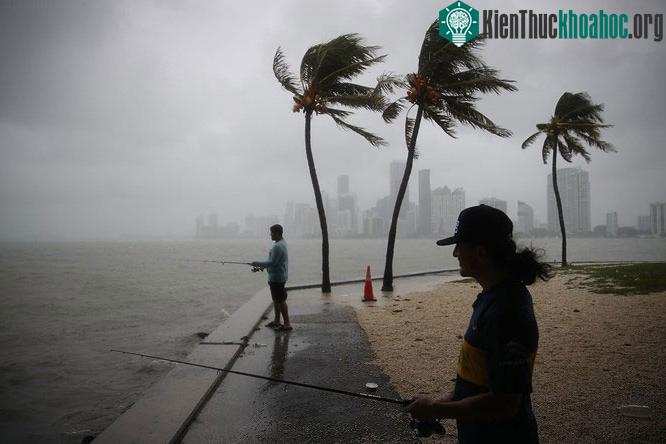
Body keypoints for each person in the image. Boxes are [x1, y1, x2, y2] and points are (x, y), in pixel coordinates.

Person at [407, 204, 551, 443]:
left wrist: (436, 410)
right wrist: (437, 404)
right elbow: (475, 382)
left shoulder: (507, 312)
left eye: (459, 246)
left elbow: (505, 403)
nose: (455, 254)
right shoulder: (493, 297)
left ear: (481, 253)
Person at [252, 224, 291, 331]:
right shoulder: (282, 243)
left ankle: (287, 324)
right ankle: (277, 321)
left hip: (277, 278)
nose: (270, 235)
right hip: (278, 276)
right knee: (276, 300)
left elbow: (272, 262)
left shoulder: (278, 246)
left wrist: (257, 263)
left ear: (277, 233)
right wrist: (262, 266)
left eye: (272, 233)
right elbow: (275, 262)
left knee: (281, 300)